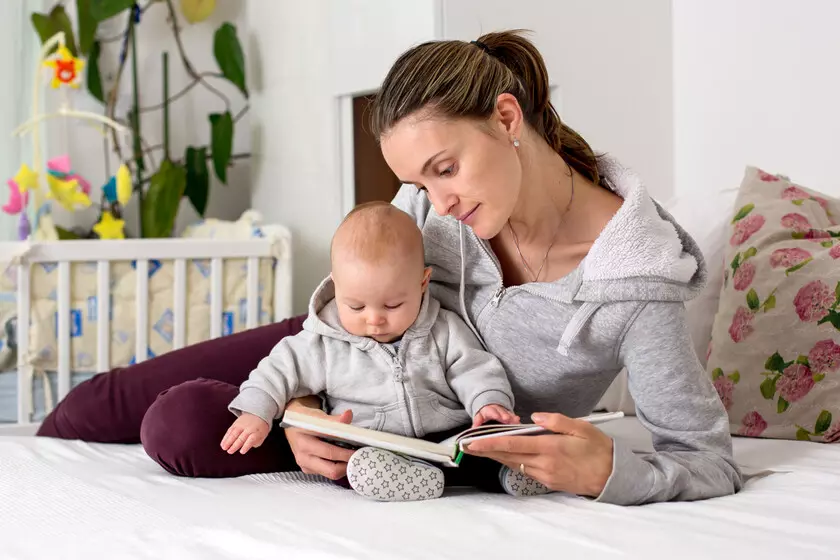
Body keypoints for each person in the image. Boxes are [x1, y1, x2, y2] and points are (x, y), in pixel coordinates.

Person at [37, 30, 742, 506]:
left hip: (427, 434)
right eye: (419, 184)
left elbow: (708, 459)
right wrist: (295, 406)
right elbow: (362, 270)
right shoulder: (434, 206)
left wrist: (609, 472)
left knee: (183, 426)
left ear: (506, 119)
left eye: (445, 169)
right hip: (334, 343)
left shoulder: (632, 286)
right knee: (85, 409)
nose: (438, 204)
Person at [221, 201, 530, 502]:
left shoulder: (444, 328)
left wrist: (488, 403)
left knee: (481, 448)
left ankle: (508, 472)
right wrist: (255, 412)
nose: (374, 319)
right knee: (346, 460)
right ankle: (403, 478)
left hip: (443, 436)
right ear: (335, 285)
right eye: (356, 306)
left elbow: (475, 369)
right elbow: (277, 371)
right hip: (372, 442)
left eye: (393, 304)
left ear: (423, 283)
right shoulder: (323, 342)